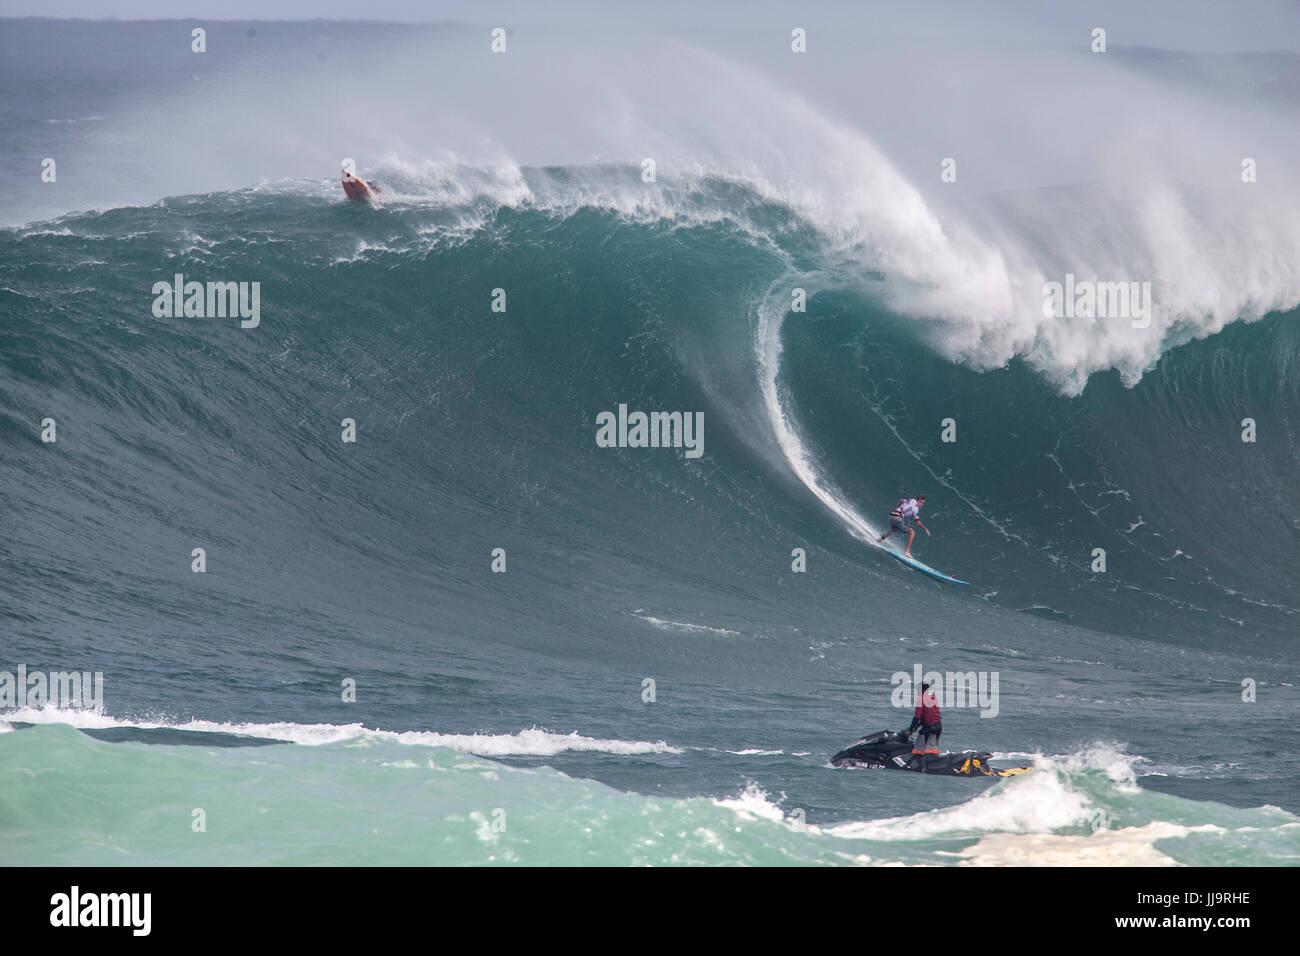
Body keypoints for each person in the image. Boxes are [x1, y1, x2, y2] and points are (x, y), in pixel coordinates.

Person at [901, 681, 942, 771]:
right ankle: (936, 767)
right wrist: (919, 725)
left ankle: (922, 769)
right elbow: (930, 714)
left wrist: (910, 730)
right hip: (938, 726)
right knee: (932, 750)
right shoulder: (933, 698)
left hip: (928, 727)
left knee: (919, 751)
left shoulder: (921, 699)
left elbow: (917, 716)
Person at [878, 493, 929, 557]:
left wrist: (898, 507)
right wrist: (925, 529)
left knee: (895, 529)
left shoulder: (911, 500)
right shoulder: (916, 509)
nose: (921, 504)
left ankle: (881, 538)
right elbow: (918, 522)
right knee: (912, 532)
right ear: (917, 500)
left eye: (923, 503)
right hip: (897, 518)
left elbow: (901, 500)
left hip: (891, 516)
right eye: (920, 502)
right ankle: (907, 552)